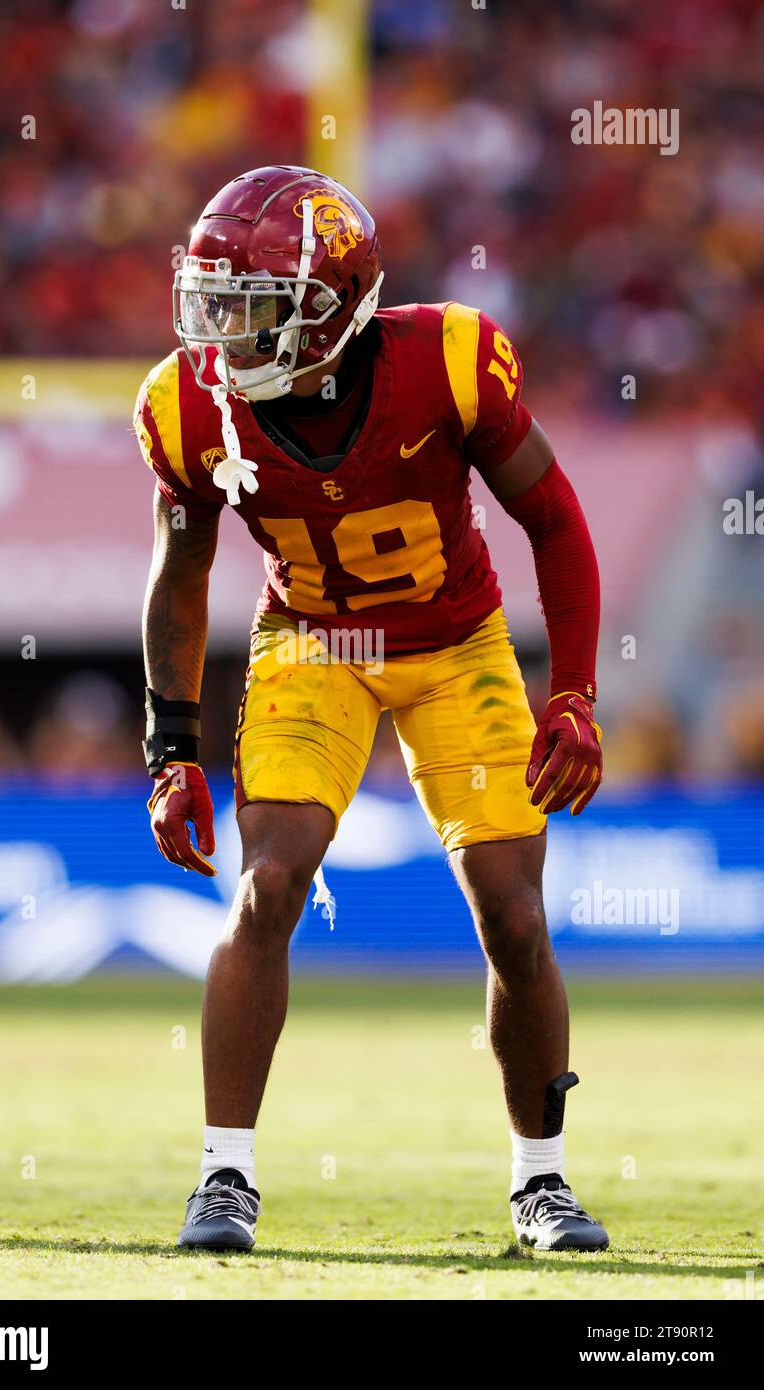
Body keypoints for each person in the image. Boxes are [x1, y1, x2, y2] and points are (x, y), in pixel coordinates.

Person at [134, 165, 607, 1253]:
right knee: (266, 886)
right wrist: (169, 747)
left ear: (328, 309)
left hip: (455, 645)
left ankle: (541, 1180)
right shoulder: (187, 400)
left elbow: (556, 517)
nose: (223, 334)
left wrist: (574, 691)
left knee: (515, 917)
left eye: (252, 310)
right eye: (215, 303)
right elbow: (180, 572)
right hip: (312, 643)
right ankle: (225, 1178)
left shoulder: (446, 360)